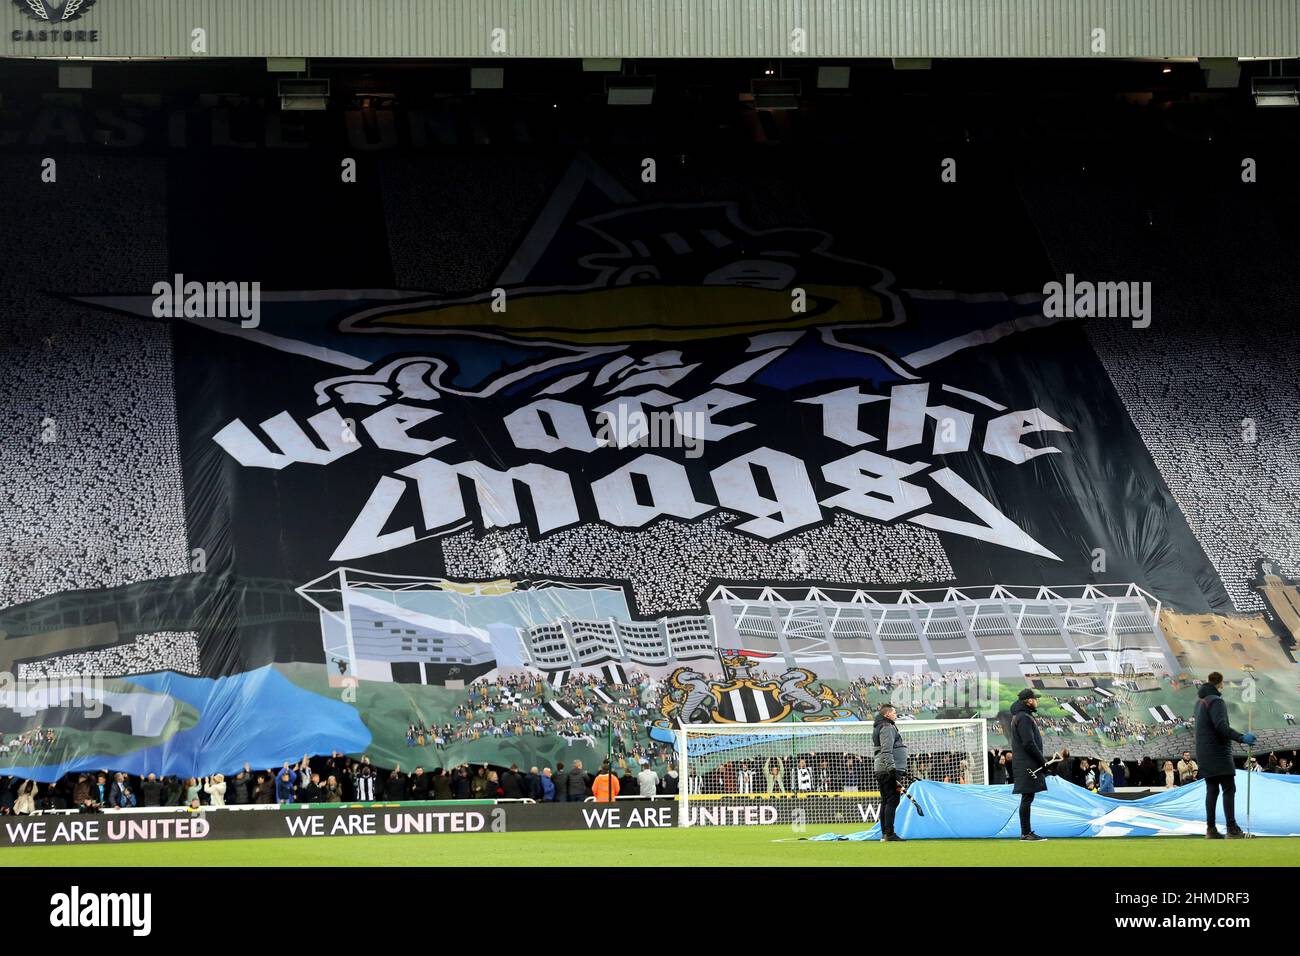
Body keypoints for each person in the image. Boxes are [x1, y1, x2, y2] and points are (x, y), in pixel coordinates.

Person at [1195, 671, 1254, 839]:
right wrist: (1242, 738)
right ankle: (1231, 828)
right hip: (1218, 753)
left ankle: (1211, 829)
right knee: (1228, 788)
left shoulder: (1199, 702)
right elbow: (1221, 726)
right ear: (1220, 683)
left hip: (1203, 753)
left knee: (1212, 789)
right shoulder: (1217, 701)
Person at [1009, 688, 1048, 841]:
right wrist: (1042, 762)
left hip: (1024, 762)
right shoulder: (1024, 718)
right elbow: (1029, 743)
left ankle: (1026, 832)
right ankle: (1026, 833)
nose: (1036, 701)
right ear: (1029, 701)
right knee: (1027, 797)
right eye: (1035, 699)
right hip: (1026, 763)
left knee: (1027, 797)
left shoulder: (1020, 716)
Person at [873, 703, 907, 842]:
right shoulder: (887, 727)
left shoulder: (882, 726)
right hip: (889, 771)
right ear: (887, 714)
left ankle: (885, 833)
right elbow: (886, 751)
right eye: (894, 712)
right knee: (892, 800)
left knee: (887, 800)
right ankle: (889, 833)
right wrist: (893, 770)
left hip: (884, 769)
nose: (896, 715)